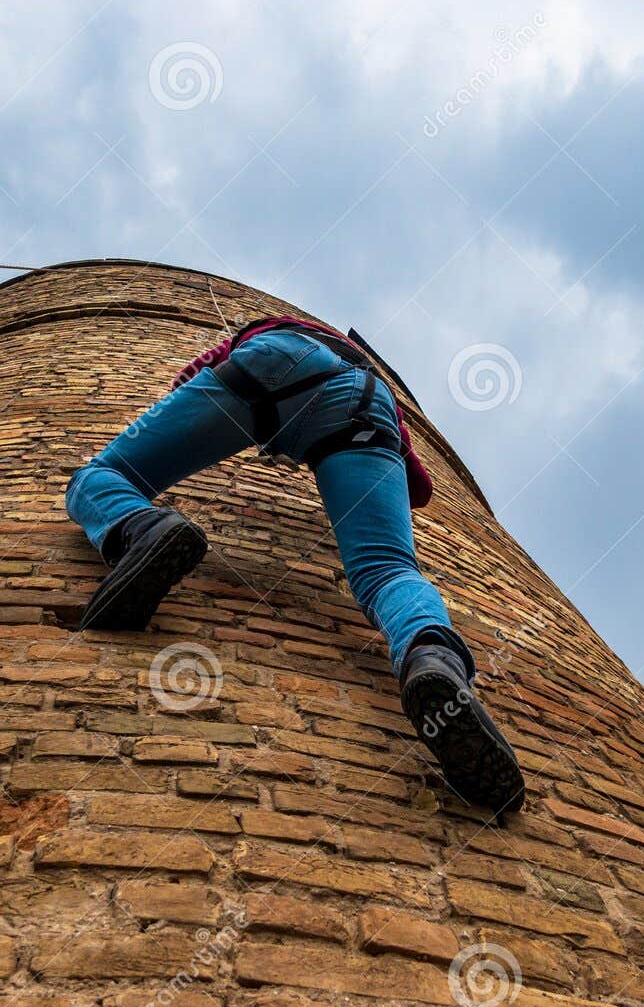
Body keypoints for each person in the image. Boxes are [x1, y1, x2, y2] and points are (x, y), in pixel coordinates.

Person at [65, 316, 525, 815]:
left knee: (103, 474)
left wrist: (219, 408)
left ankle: (142, 526)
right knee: (389, 570)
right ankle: (432, 659)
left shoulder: (269, 327)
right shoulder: (378, 382)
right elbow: (420, 488)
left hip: (275, 360)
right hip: (370, 409)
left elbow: (195, 377)